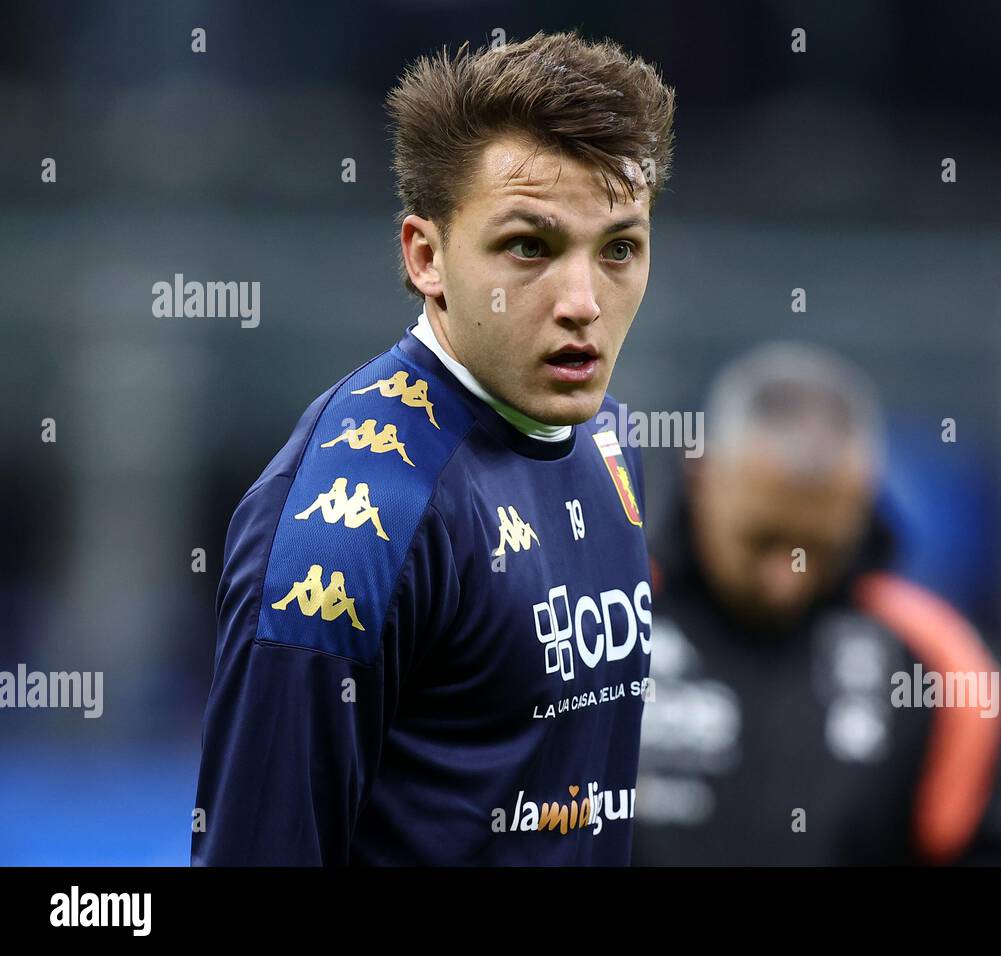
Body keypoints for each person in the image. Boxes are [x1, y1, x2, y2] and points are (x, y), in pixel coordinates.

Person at [191, 31, 675, 865]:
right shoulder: (350, 522)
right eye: (530, 246)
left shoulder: (608, 436)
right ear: (427, 256)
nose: (584, 303)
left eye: (619, 250)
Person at [634, 343, 1001, 865]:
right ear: (701, 475)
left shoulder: (943, 665)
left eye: (820, 550)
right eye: (762, 541)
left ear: (864, 499)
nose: (788, 579)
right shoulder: (606, 625)